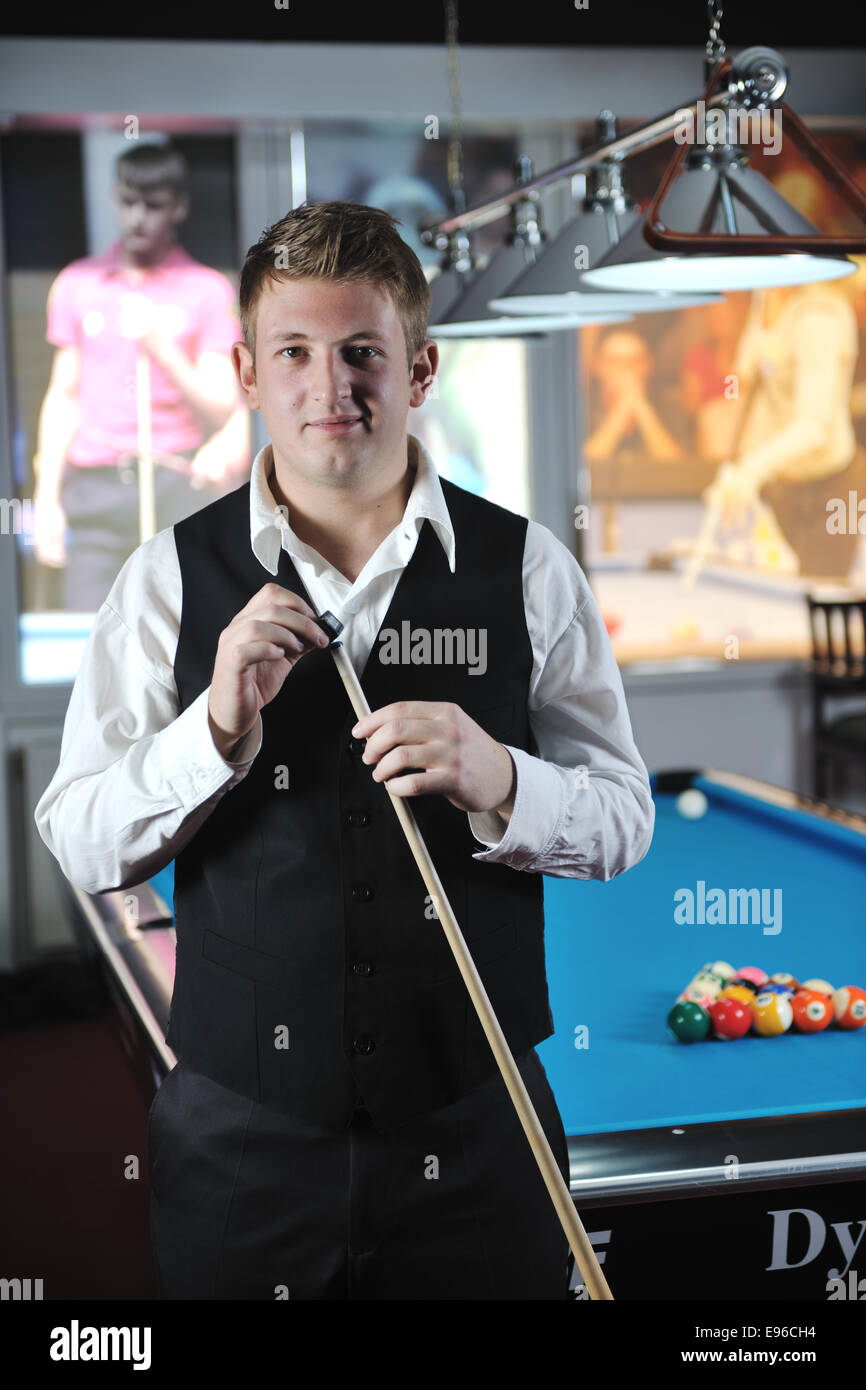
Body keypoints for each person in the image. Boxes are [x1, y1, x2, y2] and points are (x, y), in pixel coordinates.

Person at [34, 200, 654, 1301]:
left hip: (479, 1130)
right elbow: (83, 844)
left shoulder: (527, 568)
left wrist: (500, 778)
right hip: (241, 1145)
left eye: (362, 352)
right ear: (246, 370)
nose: (331, 387)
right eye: (296, 353)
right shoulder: (165, 579)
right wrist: (211, 730)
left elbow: (622, 817)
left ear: (418, 369)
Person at [32, 139, 250, 611]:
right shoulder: (76, 283)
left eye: (153, 205)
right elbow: (62, 396)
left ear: (178, 207)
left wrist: (160, 346)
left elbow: (220, 405)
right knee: (90, 645)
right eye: (128, 202)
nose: (137, 217)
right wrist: (46, 499)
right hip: (95, 491)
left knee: (182, 637)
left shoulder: (206, 290)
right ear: (114, 197)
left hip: (175, 486)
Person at [701, 283, 865, 579]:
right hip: (785, 487)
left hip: (832, 487)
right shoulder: (766, 294)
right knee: (786, 597)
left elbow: (815, 426)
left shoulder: (818, 318)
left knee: (818, 598)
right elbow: (745, 377)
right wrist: (738, 463)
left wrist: (752, 469)